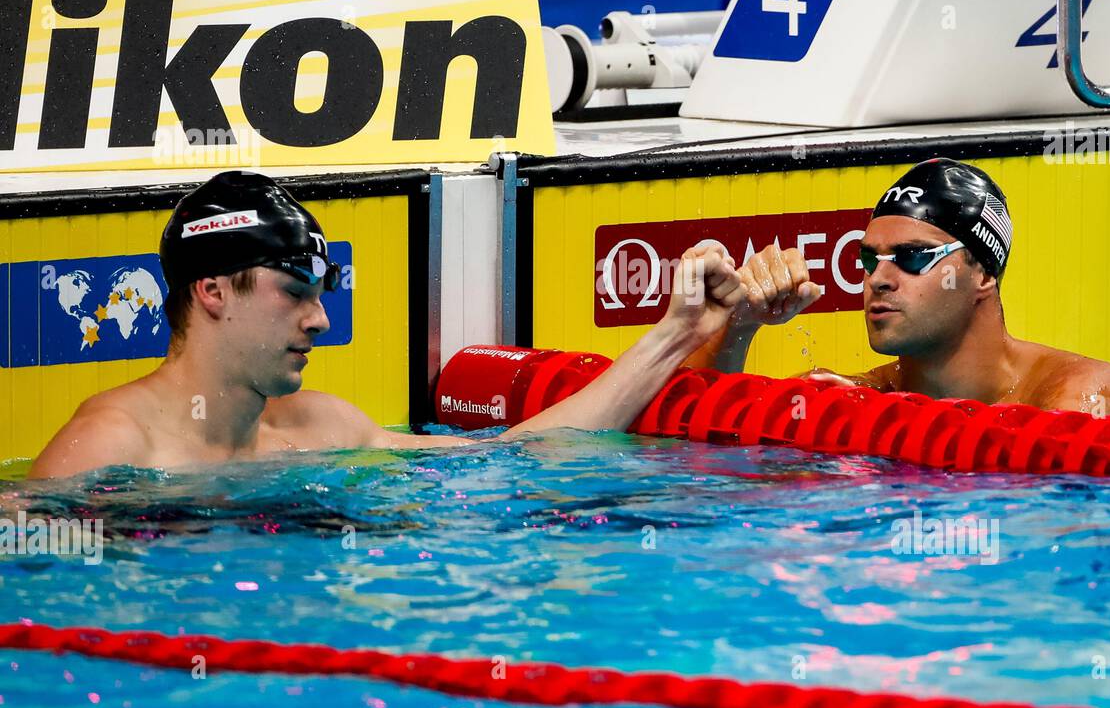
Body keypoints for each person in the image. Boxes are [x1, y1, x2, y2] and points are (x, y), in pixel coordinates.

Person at [29, 172, 744, 479]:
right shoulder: (113, 445)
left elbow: (512, 458)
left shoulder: (319, 430)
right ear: (213, 291)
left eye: (321, 292)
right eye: (295, 292)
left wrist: (675, 334)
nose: (320, 318)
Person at [687, 158, 1110, 414]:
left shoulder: (1077, 389)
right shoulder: (844, 398)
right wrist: (736, 325)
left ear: (982, 273)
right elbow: (698, 455)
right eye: (868, 259)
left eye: (913, 257)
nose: (878, 279)